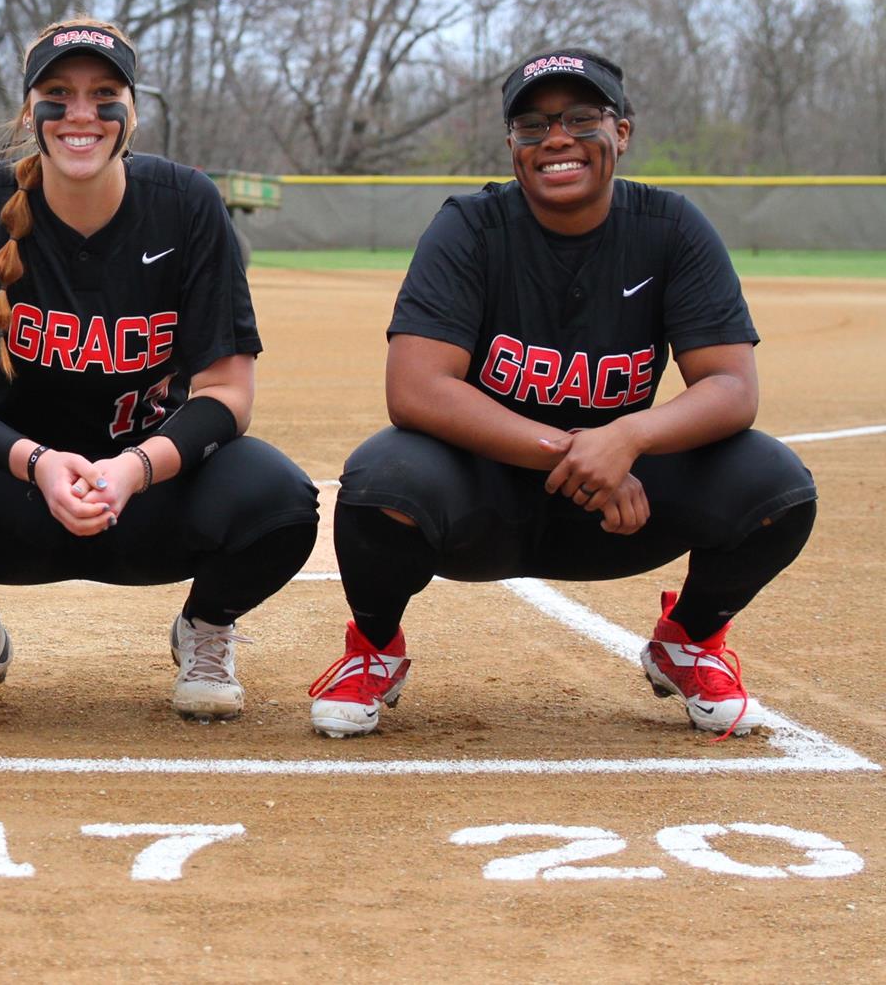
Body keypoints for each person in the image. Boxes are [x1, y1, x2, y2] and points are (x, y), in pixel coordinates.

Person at [312, 48, 817, 739]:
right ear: (513, 145)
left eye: (582, 119)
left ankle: (689, 640)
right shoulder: (470, 227)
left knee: (775, 487)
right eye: (533, 125)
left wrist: (628, 438)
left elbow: (731, 387)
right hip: (489, 498)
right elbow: (416, 388)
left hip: (625, 509)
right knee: (381, 481)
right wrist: (573, 453)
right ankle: (373, 649)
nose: (556, 139)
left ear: (623, 133)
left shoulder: (671, 230)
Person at [0, 18, 320, 723]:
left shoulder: (187, 204)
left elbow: (227, 392)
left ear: (133, 110)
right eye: (58, 93)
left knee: (281, 500)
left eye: (104, 94)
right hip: (16, 492)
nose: (80, 114)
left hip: (151, 495)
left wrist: (135, 467)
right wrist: (35, 461)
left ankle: (205, 628)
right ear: (28, 109)